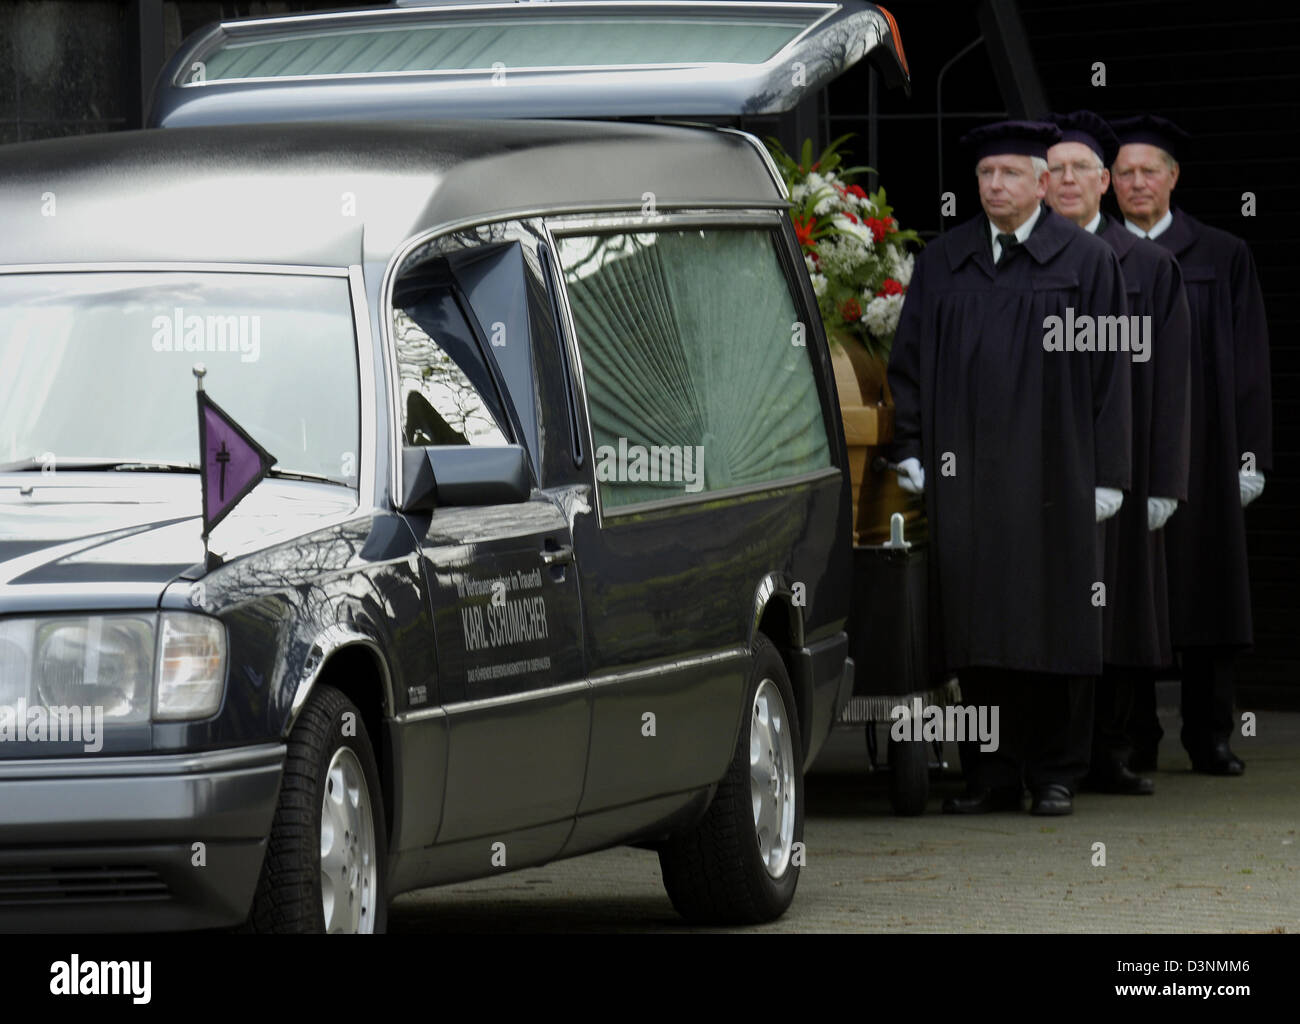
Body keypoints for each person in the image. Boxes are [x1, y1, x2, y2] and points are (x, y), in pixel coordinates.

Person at [888, 120, 1131, 816]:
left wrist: (1109, 470)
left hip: (1057, 475)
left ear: (1044, 182)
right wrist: (909, 448)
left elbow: (1113, 377)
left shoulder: (1086, 264)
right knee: (975, 626)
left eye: (1010, 175)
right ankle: (988, 776)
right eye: (985, 176)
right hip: (967, 477)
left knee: (1055, 622)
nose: (995, 186)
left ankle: (1055, 773)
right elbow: (907, 364)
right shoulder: (945, 262)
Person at [1110, 114, 1272, 775]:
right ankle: (1135, 735)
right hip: (1129, 448)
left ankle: (1210, 734)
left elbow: (1252, 365)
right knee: (1131, 598)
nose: (1137, 182)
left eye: (1150, 170)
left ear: (1174, 177)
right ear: (1107, 182)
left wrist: (1250, 456)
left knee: (1207, 591)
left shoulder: (1221, 253)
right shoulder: (1093, 257)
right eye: (1124, 172)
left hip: (1205, 452)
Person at [1043, 110, 1191, 796]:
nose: (1068, 181)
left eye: (1082, 170)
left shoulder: (1150, 267)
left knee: (1123, 613)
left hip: (1121, 467)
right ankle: (1052, 754)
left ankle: (1112, 749)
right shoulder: (1019, 260)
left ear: (1104, 183)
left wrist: (1163, 477)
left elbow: (1171, 381)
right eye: (1056, 170)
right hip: (1045, 468)